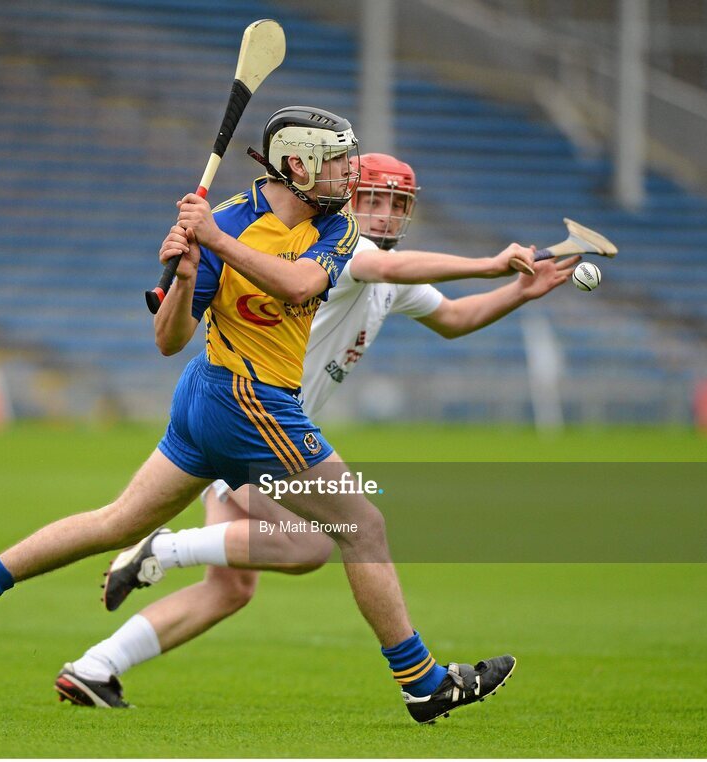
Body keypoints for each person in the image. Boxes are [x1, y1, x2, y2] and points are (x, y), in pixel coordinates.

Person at [0, 108, 515, 725]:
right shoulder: (225, 221)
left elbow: (301, 286)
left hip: (223, 399)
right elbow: (168, 339)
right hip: (244, 399)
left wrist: (214, 244)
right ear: (298, 166)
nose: (348, 173)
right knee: (362, 524)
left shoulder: (330, 228)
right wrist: (188, 275)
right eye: (336, 161)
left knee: (120, 523)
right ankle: (423, 683)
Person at [53, 153, 580, 714]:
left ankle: (95, 668)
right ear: (347, 198)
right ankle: (163, 548)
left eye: (396, 204)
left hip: (263, 428)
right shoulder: (344, 251)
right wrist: (491, 263)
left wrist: (521, 293)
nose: (382, 215)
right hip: (254, 423)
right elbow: (389, 269)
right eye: (372, 200)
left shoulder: (385, 271)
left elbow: (452, 319)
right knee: (319, 540)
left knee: (232, 587)